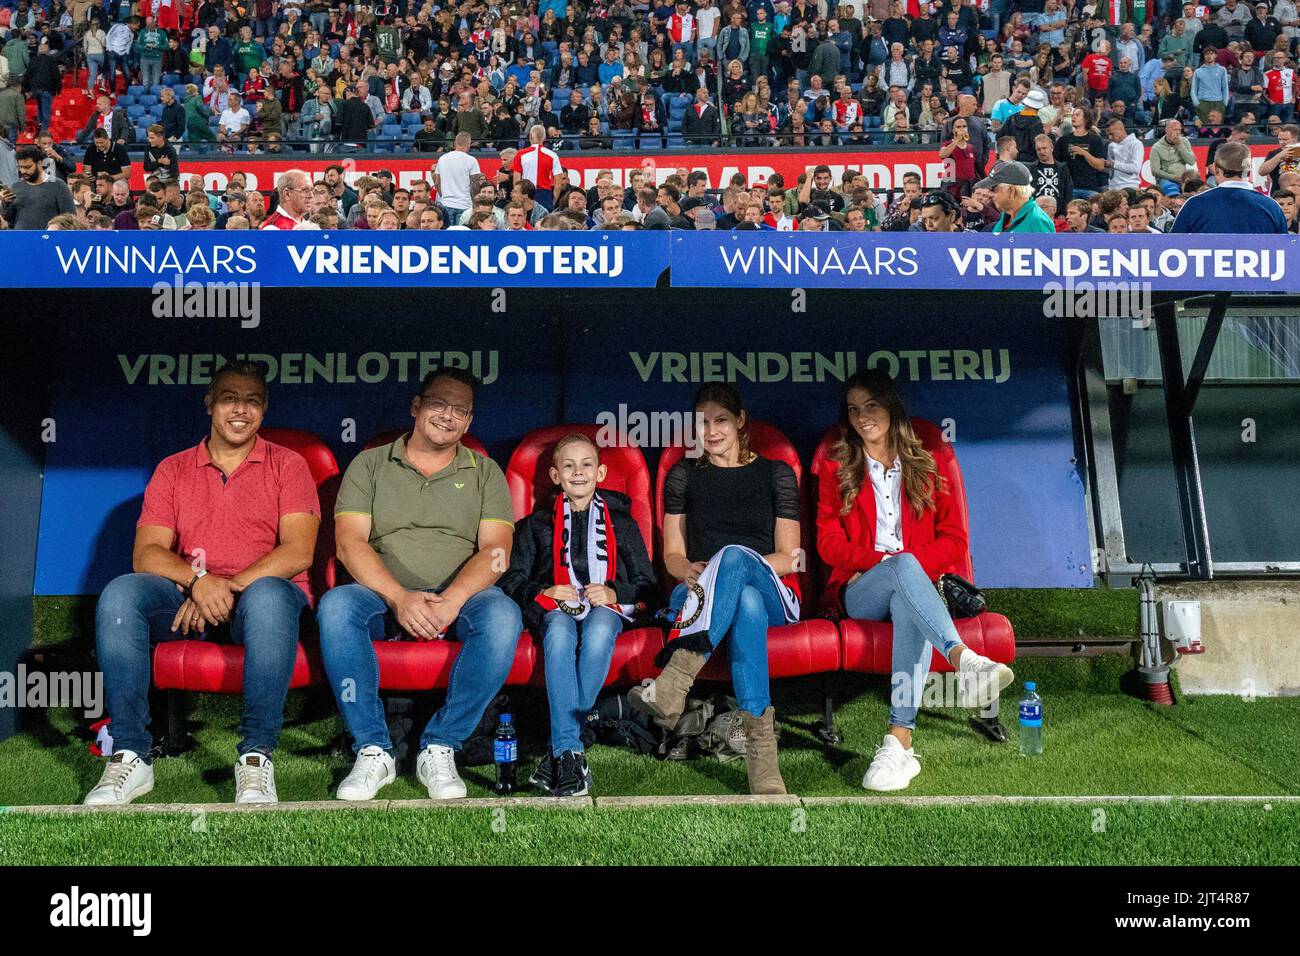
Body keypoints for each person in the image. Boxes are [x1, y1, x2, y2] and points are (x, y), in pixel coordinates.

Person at [84, 361, 320, 806]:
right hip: (191, 596)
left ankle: (255, 757)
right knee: (121, 594)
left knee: (269, 597)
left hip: (263, 598)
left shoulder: (288, 465)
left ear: (264, 410)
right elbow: (147, 553)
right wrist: (198, 581)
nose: (240, 410)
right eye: (230, 398)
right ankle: (132, 753)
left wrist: (222, 588)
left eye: (252, 401)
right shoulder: (173, 469)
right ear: (209, 404)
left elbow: (298, 552)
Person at [317, 368, 521, 801]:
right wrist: (398, 596)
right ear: (416, 405)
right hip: (380, 593)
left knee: (504, 614)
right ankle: (373, 749)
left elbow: (497, 552)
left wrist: (452, 600)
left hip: (463, 597)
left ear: (469, 422)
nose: (448, 416)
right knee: (336, 607)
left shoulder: (485, 472)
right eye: (438, 404)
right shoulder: (370, 464)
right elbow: (349, 543)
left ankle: (441, 745)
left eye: (460, 410)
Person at [816, 370, 1013, 792]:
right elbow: (828, 544)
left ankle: (898, 742)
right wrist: (883, 562)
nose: (862, 417)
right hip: (860, 587)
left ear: (890, 405)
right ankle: (964, 660)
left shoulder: (928, 457)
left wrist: (906, 566)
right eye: (853, 409)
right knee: (903, 570)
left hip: (917, 588)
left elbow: (955, 541)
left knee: (908, 594)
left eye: (871, 405)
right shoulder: (838, 462)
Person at [628, 384, 801, 795]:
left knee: (738, 563)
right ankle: (764, 765)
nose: (711, 431)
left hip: (772, 586)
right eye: (702, 423)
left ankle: (673, 684)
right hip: (697, 593)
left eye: (720, 420)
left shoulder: (775, 473)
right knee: (746, 602)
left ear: (740, 421)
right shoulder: (684, 474)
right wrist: (690, 569)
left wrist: (732, 563)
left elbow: (790, 557)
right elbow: (672, 555)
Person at [499, 434, 658, 797]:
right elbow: (512, 580)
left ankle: (563, 750)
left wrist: (615, 592)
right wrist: (545, 592)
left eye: (587, 464)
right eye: (568, 466)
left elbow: (648, 586)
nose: (578, 472)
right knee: (557, 632)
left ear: (600, 472)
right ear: (555, 475)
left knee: (601, 627)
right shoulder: (533, 525)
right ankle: (570, 751)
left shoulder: (624, 523)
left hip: (607, 610)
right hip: (557, 610)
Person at [1172, 140, 1289, 232]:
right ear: (1249, 170)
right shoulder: (1271, 207)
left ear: (1216, 169)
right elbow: (1285, 253)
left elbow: (1173, 248)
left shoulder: (1194, 205)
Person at [0, 145, 74, 230]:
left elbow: (69, 218)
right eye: (20, 167)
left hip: (48, 240)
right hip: (21, 240)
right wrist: (6, 204)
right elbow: (8, 219)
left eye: (27, 167)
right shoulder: (16, 187)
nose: (23, 171)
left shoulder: (59, 185)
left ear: (39, 164)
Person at [977, 160, 1056, 233]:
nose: (990, 194)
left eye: (994, 190)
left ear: (1011, 191)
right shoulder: (1007, 216)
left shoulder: (1038, 222)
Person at [434, 131, 480, 224]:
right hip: (465, 205)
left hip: (446, 204)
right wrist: (474, 202)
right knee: (462, 237)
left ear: (455, 143)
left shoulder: (442, 158)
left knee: (447, 236)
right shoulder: (471, 160)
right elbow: (475, 185)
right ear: (468, 144)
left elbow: (437, 183)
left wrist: (444, 196)